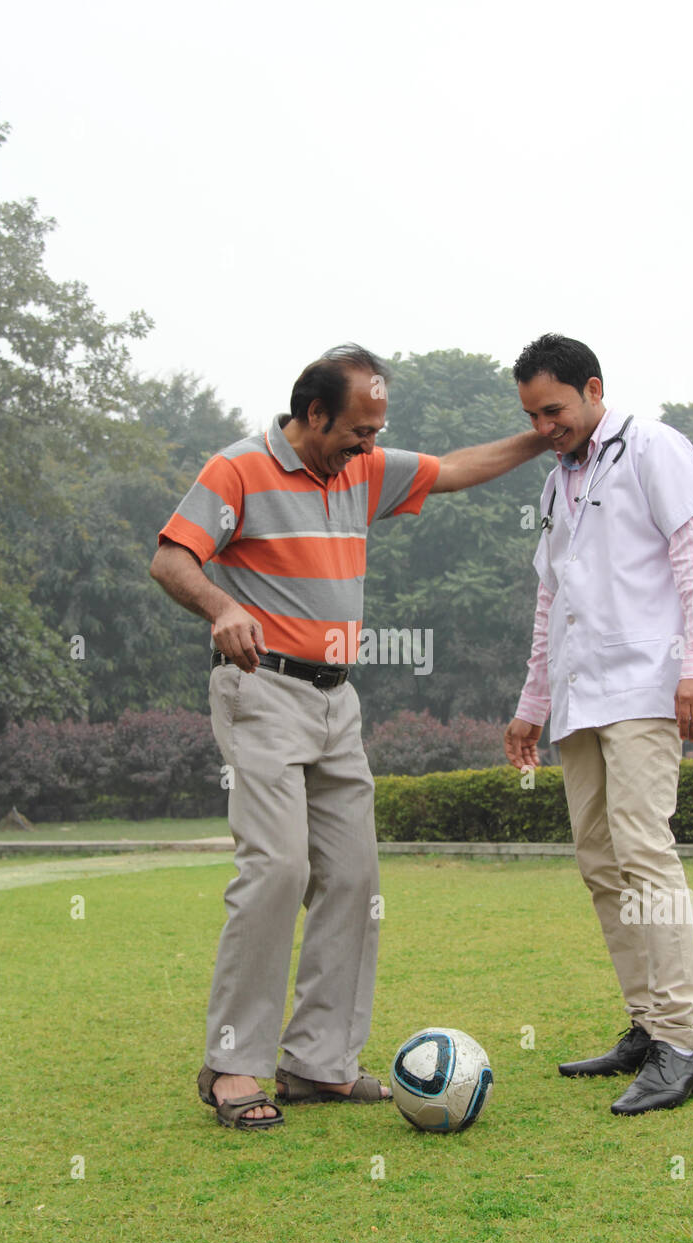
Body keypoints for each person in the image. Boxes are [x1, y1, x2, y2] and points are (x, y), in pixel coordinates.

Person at [152, 344, 551, 1129]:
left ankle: (319, 1063)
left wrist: (544, 436)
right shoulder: (238, 469)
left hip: (339, 703)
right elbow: (171, 558)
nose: (369, 446)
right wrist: (222, 608)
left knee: (354, 879)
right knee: (277, 868)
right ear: (312, 414)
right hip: (261, 688)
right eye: (357, 431)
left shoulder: (362, 470)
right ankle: (234, 1066)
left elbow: (458, 467)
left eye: (378, 431)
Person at [504, 334, 693, 1116]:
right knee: (601, 862)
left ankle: (682, 1043)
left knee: (643, 849)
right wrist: (532, 704)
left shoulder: (652, 448)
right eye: (533, 415)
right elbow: (549, 604)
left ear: (593, 390)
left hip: (647, 683)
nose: (545, 425)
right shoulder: (553, 485)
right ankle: (645, 1022)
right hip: (579, 698)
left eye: (555, 409)